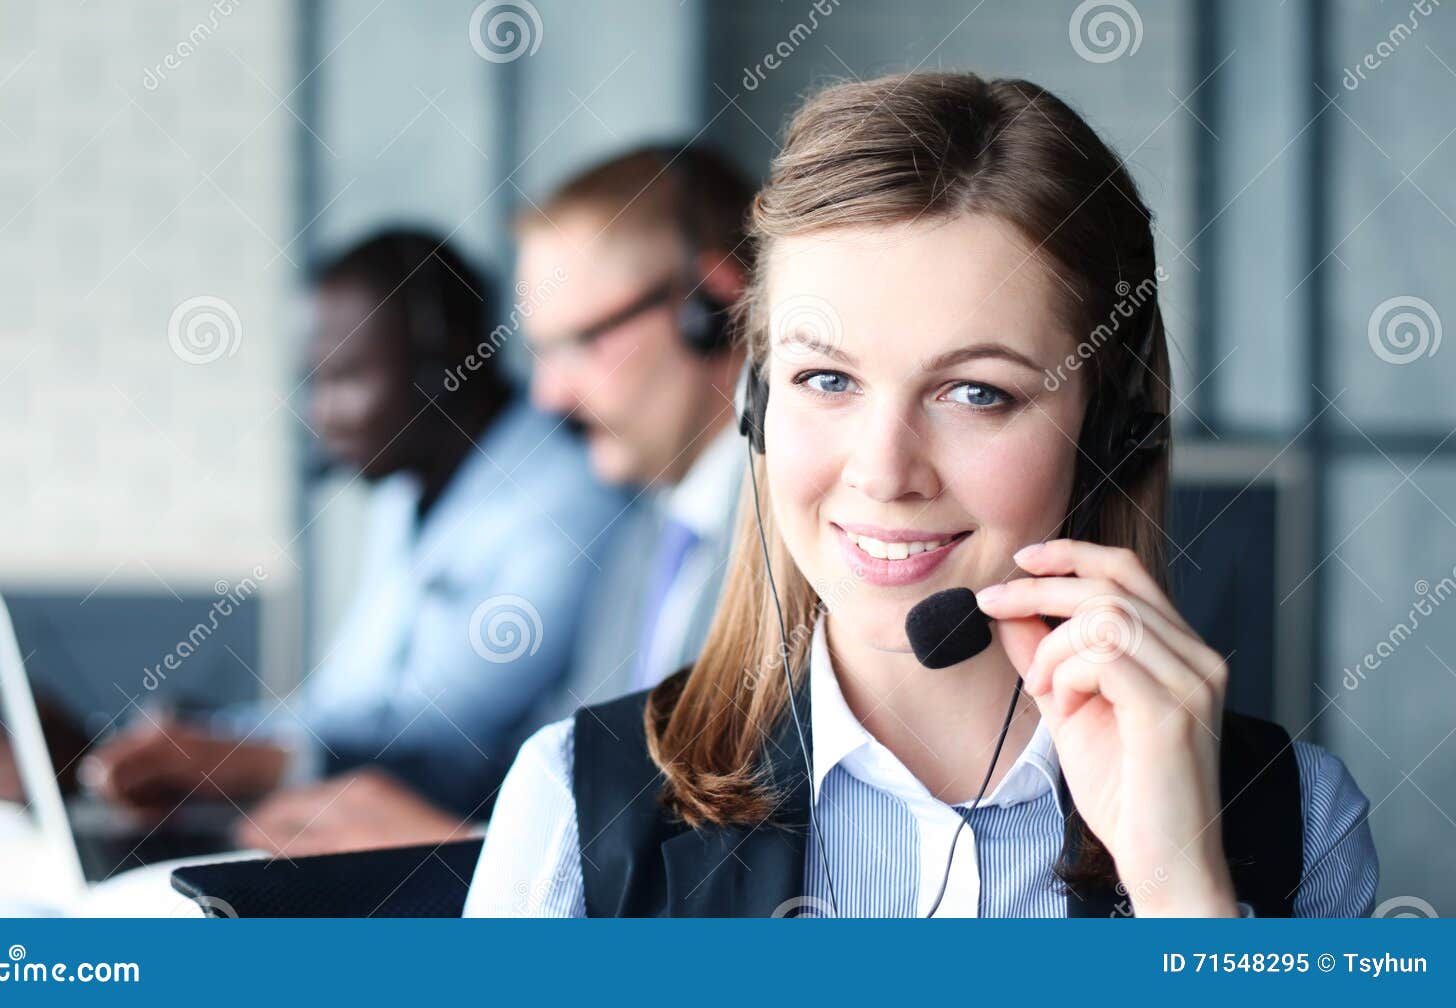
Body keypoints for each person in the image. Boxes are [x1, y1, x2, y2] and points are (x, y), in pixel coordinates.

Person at [465, 72, 1378, 917]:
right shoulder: (573, 807)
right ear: (757, 405)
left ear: (1110, 431)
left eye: (975, 392)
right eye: (827, 379)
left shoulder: (1298, 822)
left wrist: (1183, 888)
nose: (884, 471)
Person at [0, 229, 627, 854]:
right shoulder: (408, 491)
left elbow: (450, 750)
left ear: (444, 363)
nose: (320, 415)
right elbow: (341, 708)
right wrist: (120, 750)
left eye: (346, 378)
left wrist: (246, 760)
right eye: (314, 381)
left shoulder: (568, 499)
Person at [515, 145, 754, 715]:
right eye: (542, 352)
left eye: (583, 341)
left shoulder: (814, 529)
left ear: (712, 308)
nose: (547, 395)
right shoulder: (645, 529)